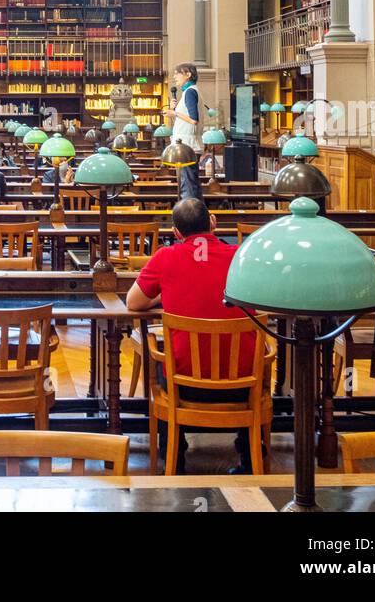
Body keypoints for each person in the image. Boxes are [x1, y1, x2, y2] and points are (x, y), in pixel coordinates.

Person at [125, 198, 255, 474]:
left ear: (176, 233)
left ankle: (174, 455)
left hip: (185, 383)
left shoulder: (166, 256)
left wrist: (165, 294)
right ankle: (249, 453)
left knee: (165, 364)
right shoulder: (240, 257)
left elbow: (133, 302)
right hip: (242, 382)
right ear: (213, 223)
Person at [164, 62, 202, 200]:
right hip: (187, 145)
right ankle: (195, 215)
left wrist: (174, 114)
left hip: (187, 147)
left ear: (188, 75)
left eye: (177, 73)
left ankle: (190, 217)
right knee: (190, 184)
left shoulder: (190, 92)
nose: (174, 76)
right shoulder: (188, 92)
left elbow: (193, 119)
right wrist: (174, 111)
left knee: (188, 187)